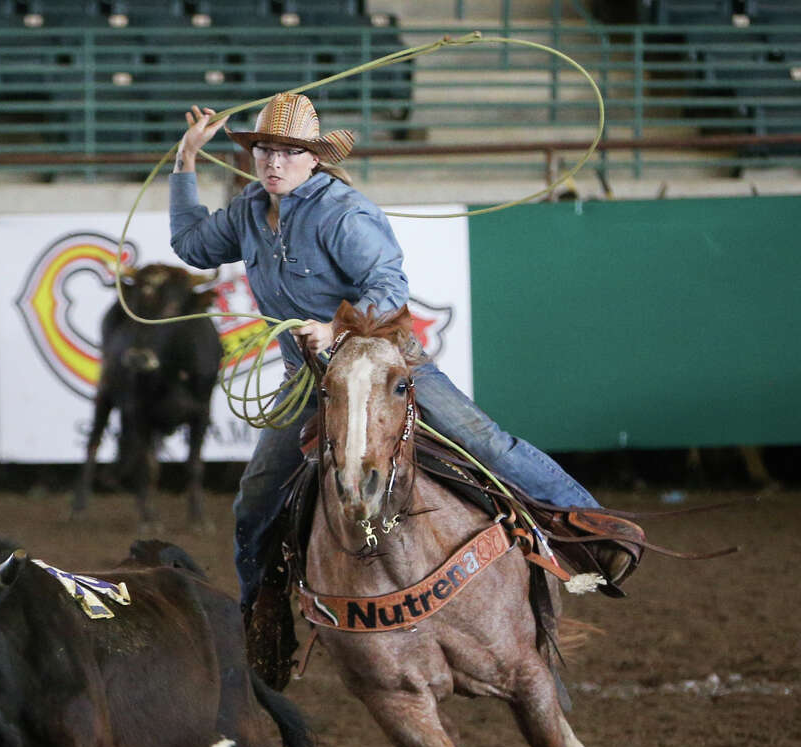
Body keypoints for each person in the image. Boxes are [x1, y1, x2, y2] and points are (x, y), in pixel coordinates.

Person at [168, 92, 641, 616]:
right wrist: (185, 160)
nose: (274, 162)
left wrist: (337, 329)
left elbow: (389, 286)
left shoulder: (342, 214)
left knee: (482, 441)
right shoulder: (249, 212)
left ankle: (600, 530)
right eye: (264, 150)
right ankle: (259, 613)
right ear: (250, 156)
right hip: (309, 380)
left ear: (314, 157)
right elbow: (192, 246)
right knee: (256, 499)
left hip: (384, 363)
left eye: (288, 150)